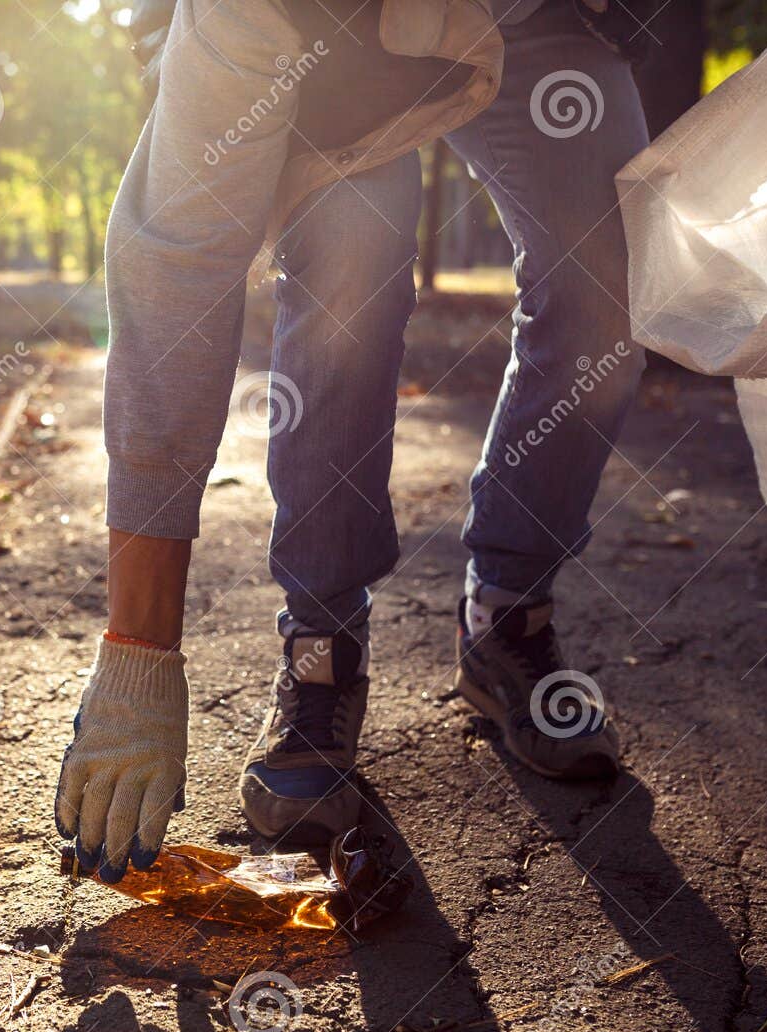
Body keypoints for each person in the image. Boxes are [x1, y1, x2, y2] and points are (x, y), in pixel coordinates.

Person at [55, 0, 662, 884]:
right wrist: (140, 647)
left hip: (535, 16)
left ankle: (507, 614)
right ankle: (321, 645)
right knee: (350, 254)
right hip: (325, 45)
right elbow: (176, 264)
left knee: (610, 278)